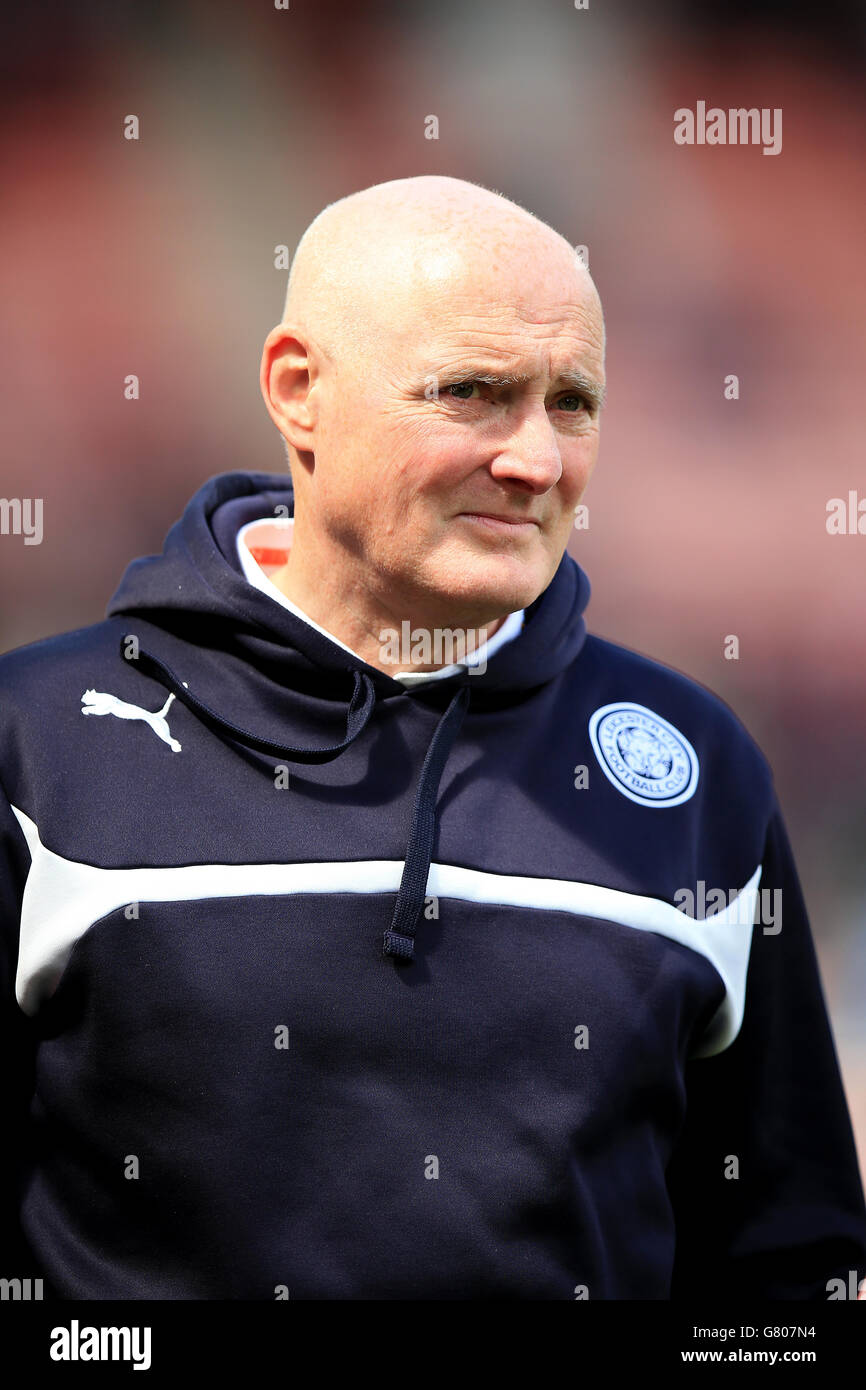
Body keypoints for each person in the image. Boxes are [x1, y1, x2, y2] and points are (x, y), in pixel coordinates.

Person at [1, 175, 864, 1301]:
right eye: (473, 393)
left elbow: (787, 1272)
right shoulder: (40, 744)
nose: (536, 461)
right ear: (298, 389)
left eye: (572, 403)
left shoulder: (693, 770)